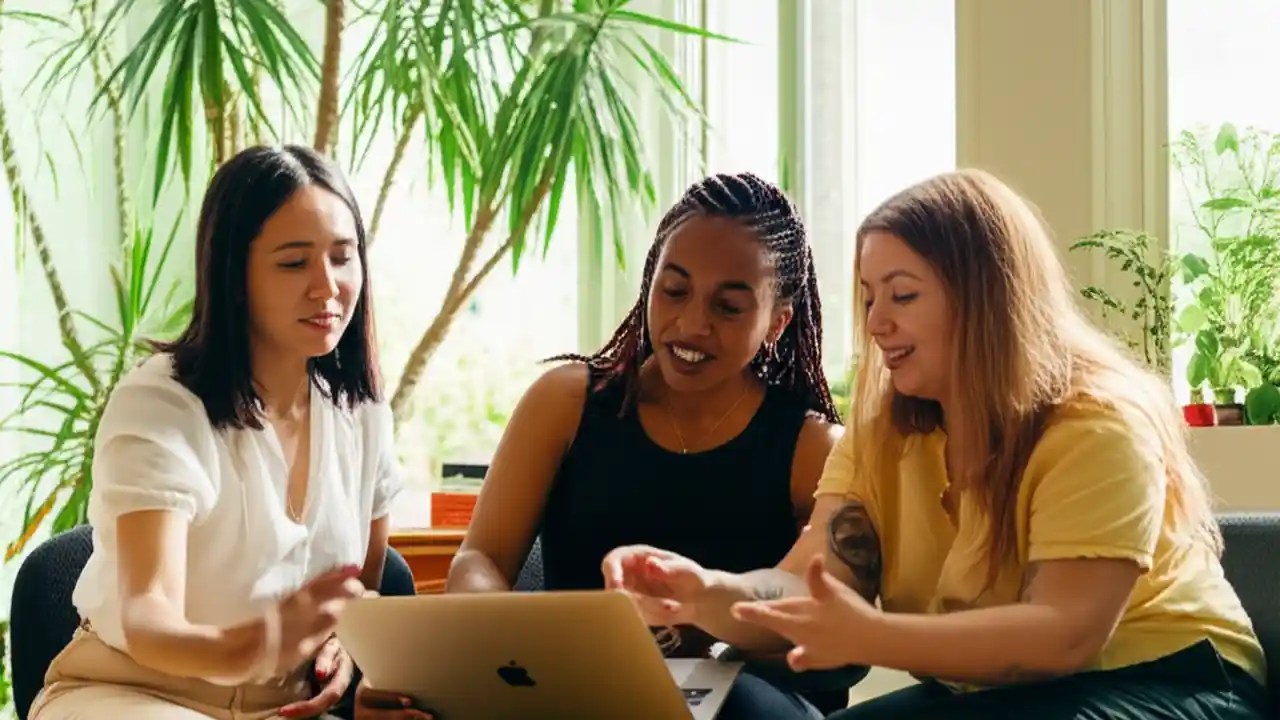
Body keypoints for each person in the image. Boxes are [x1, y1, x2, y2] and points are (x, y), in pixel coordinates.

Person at [607, 169, 1270, 718]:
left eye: (902, 295)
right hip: (1010, 698)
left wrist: (873, 635)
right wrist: (702, 592)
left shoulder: (1095, 423)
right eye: (869, 298)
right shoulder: (880, 438)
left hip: (1179, 683)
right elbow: (805, 585)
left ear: (986, 299)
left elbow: (1062, 637)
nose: (878, 322)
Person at [415, 171, 842, 720]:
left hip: (736, 701)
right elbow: (479, 560)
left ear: (778, 321)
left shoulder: (813, 449)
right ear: (650, 282)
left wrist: (716, 635)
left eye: (728, 307)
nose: (691, 324)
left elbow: (824, 629)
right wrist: (513, 648)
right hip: (571, 694)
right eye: (675, 290)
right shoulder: (565, 403)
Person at [30, 145, 407, 720]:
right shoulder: (159, 404)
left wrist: (348, 652)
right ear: (233, 275)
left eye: (343, 256)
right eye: (292, 262)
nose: (327, 285)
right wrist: (253, 646)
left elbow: (361, 596)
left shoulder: (363, 412)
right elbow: (148, 615)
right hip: (134, 695)